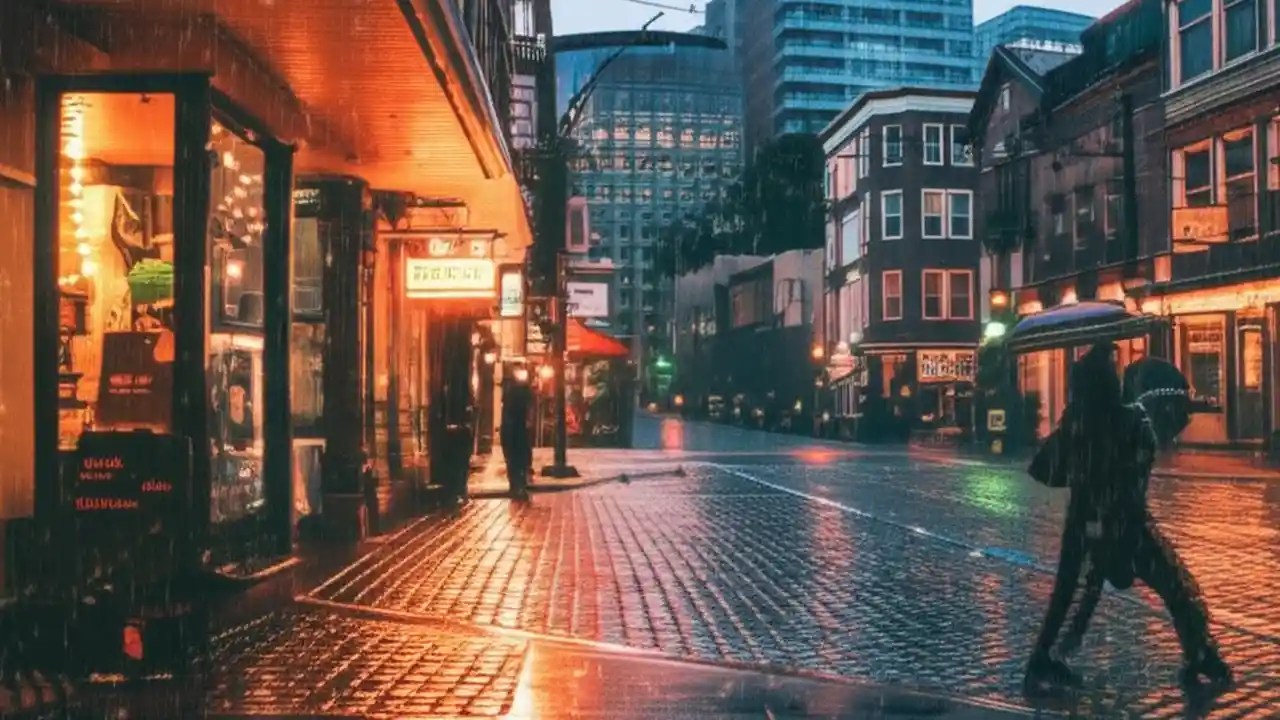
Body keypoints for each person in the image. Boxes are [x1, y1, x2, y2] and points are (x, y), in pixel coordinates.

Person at [1024, 343, 1231, 694]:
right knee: (1174, 586)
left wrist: (1080, 468)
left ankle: (1044, 659)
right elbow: (1144, 460)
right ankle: (1199, 651)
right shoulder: (1129, 420)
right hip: (1127, 524)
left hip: (1085, 523)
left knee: (1071, 595)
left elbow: (1043, 468)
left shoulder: (1077, 424)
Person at [500, 367, 534, 499]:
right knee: (516, 460)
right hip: (514, 430)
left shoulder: (516, 392)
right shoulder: (512, 392)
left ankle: (518, 485)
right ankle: (517, 485)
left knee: (516, 460)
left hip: (515, 430)